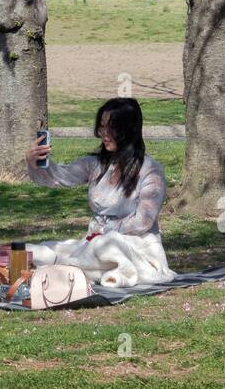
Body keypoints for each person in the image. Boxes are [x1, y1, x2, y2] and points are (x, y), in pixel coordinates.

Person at [23, 97, 177, 288]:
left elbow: (143, 221)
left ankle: (64, 267)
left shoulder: (150, 170)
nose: (104, 133)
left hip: (135, 246)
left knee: (105, 245)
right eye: (102, 126)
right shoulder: (97, 165)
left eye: (111, 127)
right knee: (41, 250)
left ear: (128, 130)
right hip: (95, 243)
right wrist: (34, 162)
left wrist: (104, 231)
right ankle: (61, 264)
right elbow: (60, 176)